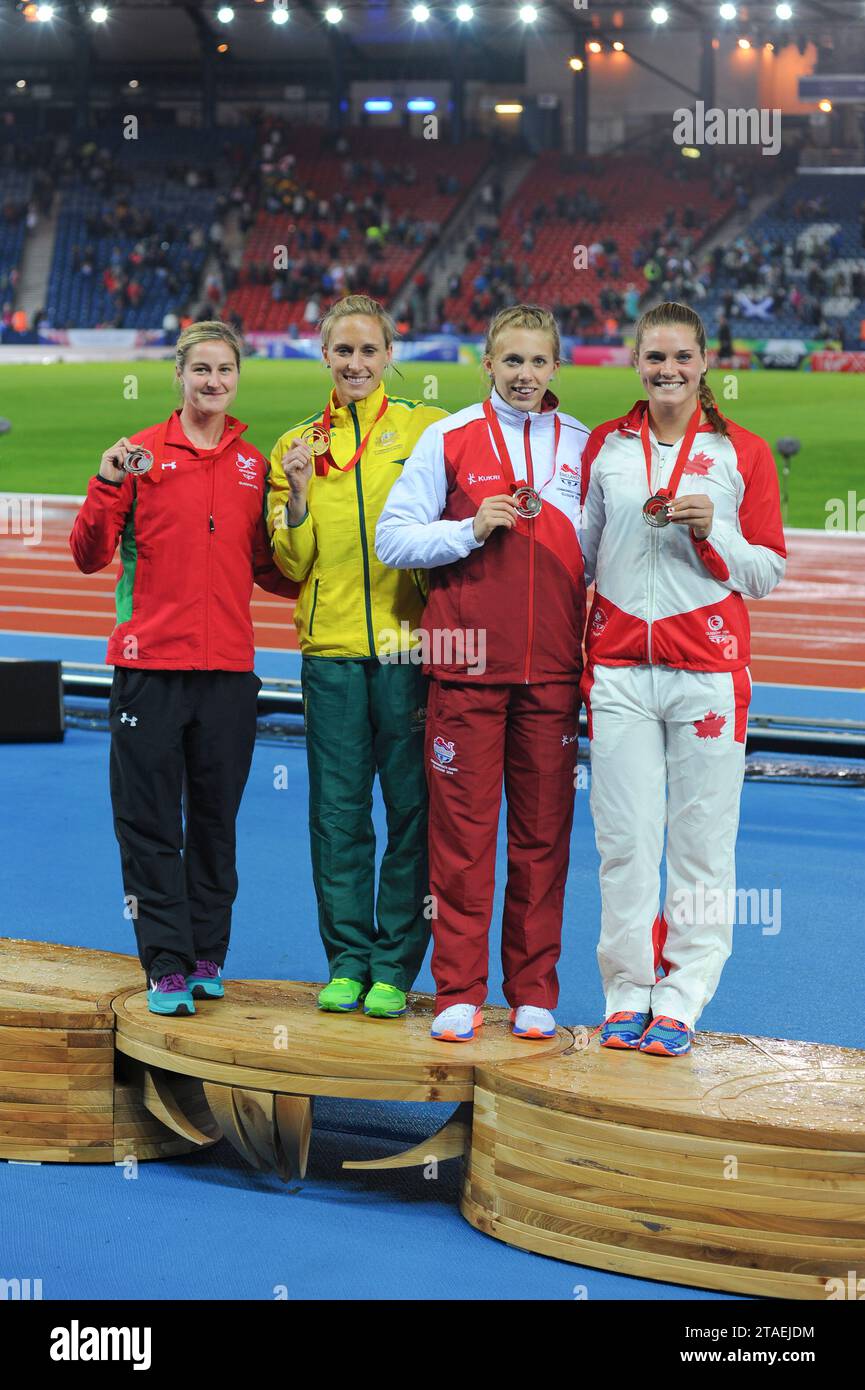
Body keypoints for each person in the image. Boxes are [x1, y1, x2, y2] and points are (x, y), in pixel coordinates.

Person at [376, 304, 589, 1043]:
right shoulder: (450, 437)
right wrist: (467, 530)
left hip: (552, 670)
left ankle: (532, 989)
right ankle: (459, 989)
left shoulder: (581, 447)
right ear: (487, 366)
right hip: (464, 666)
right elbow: (393, 540)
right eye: (511, 362)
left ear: (555, 367)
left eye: (536, 362)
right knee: (462, 837)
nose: (523, 375)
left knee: (542, 837)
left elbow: (599, 555)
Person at [70, 321, 295, 1017]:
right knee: (147, 822)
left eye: (224, 370)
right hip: (149, 669)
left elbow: (275, 576)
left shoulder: (254, 467)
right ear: (179, 375)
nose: (212, 382)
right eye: (201, 369)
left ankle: (205, 956)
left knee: (215, 821)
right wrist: (106, 484)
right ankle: (165, 962)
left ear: (236, 378)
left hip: (228, 672)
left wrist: (306, 514)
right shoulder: (137, 456)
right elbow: (87, 554)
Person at [579, 301, 786, 1056]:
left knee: (701, 843)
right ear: (635, 363)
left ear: (704, 364)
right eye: (653, 358)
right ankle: (626, 992)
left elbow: (765, 572)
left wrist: (712, 533)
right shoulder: (606, 447)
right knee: (625, 841)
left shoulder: (744, 454)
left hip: (707, 673)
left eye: (680, 358)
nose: (667, 371)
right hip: (619, 673)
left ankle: (682, 996)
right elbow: (581, 553)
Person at [266, 294, 447, 1020]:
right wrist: (301, 493)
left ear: (389, 353)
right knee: (338, 816)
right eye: (342, 351)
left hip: (408, 652)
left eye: (368, 350)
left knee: (411, 811)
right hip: (332, 653)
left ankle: (394, 966)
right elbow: (290, 560)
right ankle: (345, 960)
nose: (355, 364)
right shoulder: (296, 445)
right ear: (324, 357)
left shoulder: (424, 428)